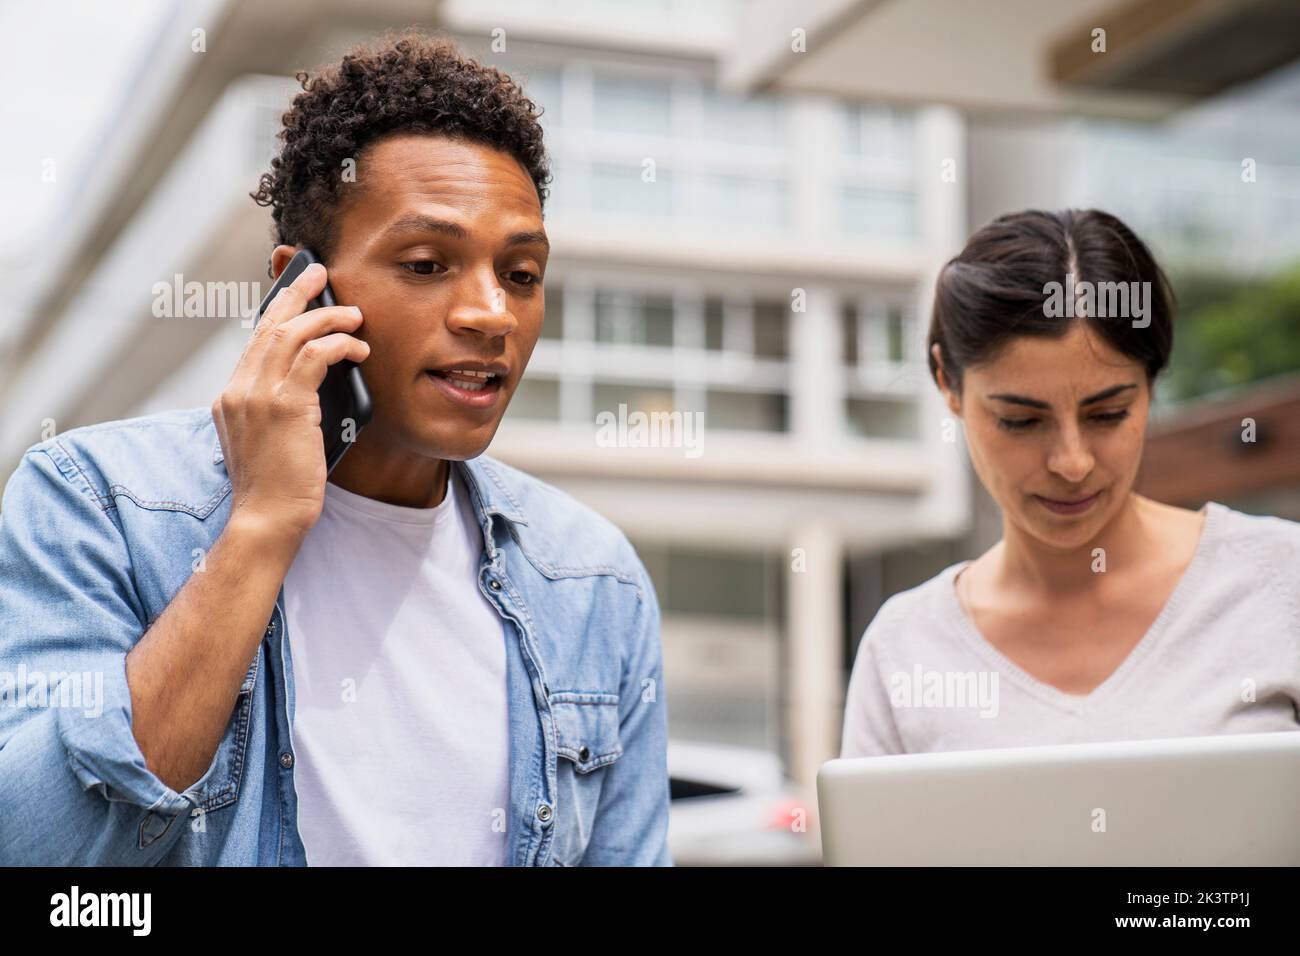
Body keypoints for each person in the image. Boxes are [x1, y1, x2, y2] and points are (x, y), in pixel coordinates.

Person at [0, 32, 671, 866]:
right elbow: (41, 854)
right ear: (300, 286)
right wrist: (260, 528)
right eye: (428, 263)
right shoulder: (94, 502)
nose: (492, 313)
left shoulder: (594, 580)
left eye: (522, 274)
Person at [841, 208, 1300, 758]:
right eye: (1020, 420)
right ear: (948, 384)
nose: (1072, 462)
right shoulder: (906, 650)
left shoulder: (1280, 582)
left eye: (1108, 413)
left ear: (1152, 385)